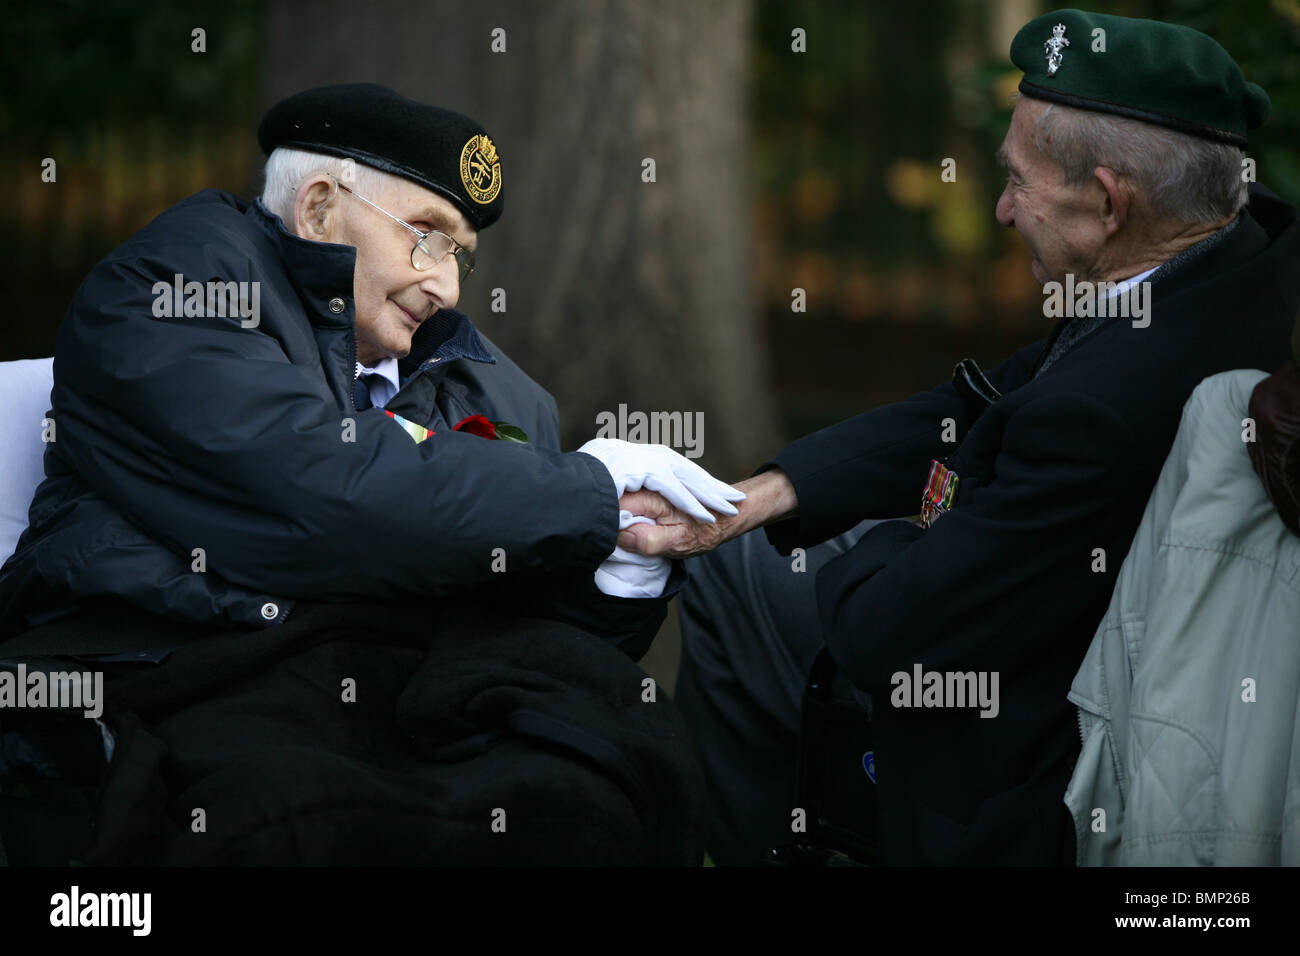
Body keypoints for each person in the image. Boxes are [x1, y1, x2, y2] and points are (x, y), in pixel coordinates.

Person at [620, 9, 1300, 865]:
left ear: (1107, 200)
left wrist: (904, 532)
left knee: (741, 577)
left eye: (1018, 181)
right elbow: (988, 399)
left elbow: (885, 633)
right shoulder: (1237, 253)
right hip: (1071, 635)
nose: (1002, 208)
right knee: (751, 545)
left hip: (1034, 772)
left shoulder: (1108, 405)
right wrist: (763, 496)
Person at [0, 83, 741, 864]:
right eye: (425, 235)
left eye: (458, 252)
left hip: (398, 694)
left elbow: (530, 624)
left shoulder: (495, 389)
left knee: (604, 771)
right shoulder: (171, 288)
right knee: (296, 812)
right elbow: (324, 492)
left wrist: (618, 569)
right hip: (175, 666)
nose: (448, 285)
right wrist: (585, 489)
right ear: (320, 207)